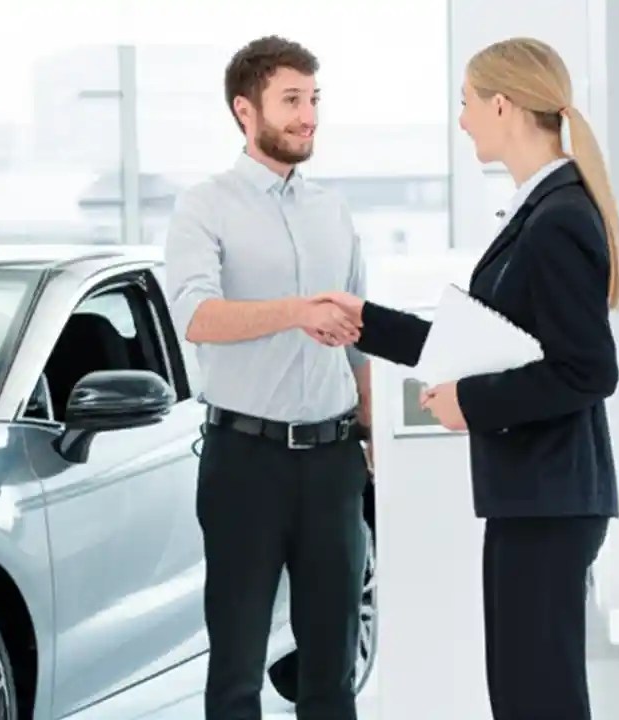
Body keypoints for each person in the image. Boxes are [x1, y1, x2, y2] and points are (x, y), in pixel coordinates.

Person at [318, 37, 619, 720]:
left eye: (466, 104)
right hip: (534, 497)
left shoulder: (558, 220)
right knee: (522, 696)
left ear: (502, 104)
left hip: (550, 499)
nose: (461, 121)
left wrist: (470, 403)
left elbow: (589, 369)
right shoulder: (540, 213)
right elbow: (482, 344)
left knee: (537, 700)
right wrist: (363, 320)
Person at [164, 36, 372, 720]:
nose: (308, 115)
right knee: (237, 672)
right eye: (292, 101)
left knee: (331, 672)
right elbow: (195, 315)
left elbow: (356, 341)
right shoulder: (205, 206)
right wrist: (297, 312)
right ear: (244, 110)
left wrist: (372, 443)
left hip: (335, 462)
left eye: (314, 100)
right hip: (245, 463)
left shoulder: (333, 212)